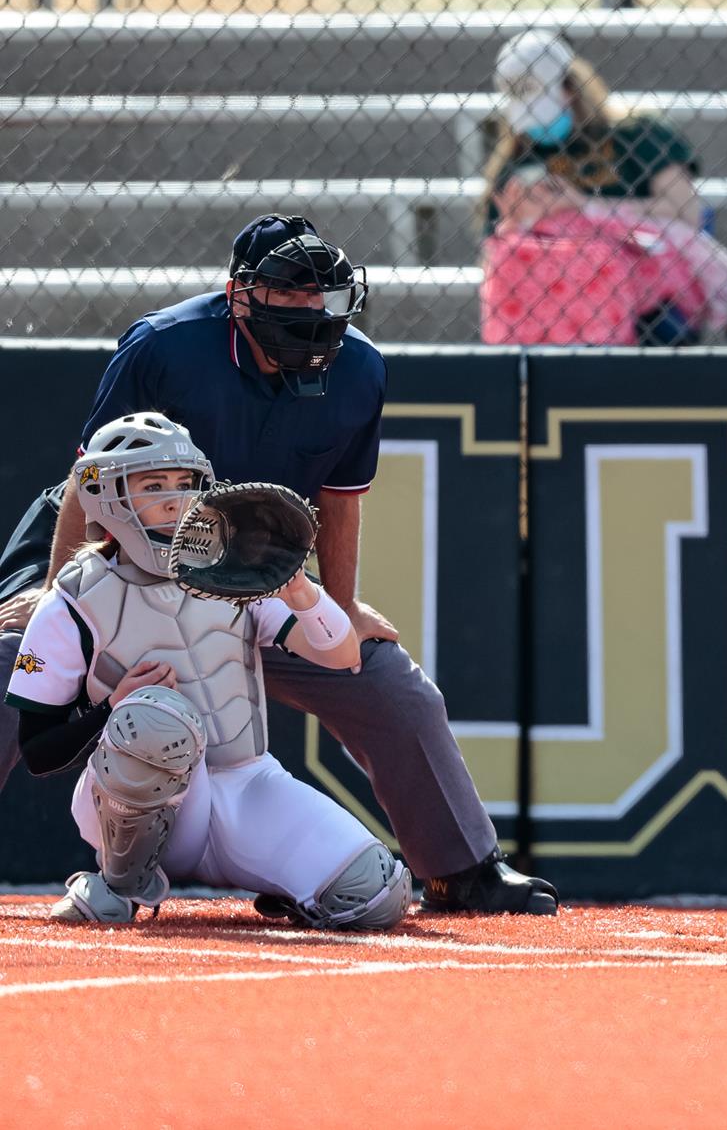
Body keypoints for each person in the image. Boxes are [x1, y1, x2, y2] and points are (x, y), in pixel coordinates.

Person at [0, 214, 557, 916]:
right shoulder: (165, 348)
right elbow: (89, 480)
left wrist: (344, 606)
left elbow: (341, 502)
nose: (308, 311)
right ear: (239, 295)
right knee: (13, 649)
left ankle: (463, 868)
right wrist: (55, 593)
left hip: (236, 568)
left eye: (320, 295)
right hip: (108, 546)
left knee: (384, 677)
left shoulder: (359, 369)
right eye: (288, 294)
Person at [6, 413, 411, 929]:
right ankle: (118, 885)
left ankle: (281, 883)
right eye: (153, 485)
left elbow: (343, 656)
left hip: (247, 784)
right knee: (154, 718)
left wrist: (303, 595)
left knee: (372, 894)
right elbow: (39, 753)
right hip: (137, 808)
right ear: (104, 495)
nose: (176, 501)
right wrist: (110, 708)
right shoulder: (72, 600)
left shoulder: (235, 568)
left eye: (185, 484)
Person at [482, 164, 727, 346]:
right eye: (531, 193)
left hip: (648, 313)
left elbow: (681, 216)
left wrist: (579, 203)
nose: (540, 196)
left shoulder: (603, 218)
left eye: (547, 190)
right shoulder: (514, 238)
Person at [479, 30, 706, 235]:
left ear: (572, 88)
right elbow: (493, 252)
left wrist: (584, 206)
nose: (536, 123)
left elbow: (686, 212)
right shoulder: (518, 158)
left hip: (642, 269)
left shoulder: (638, 133)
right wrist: (511, 227)